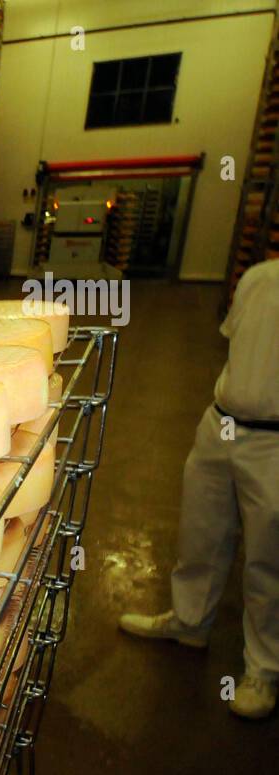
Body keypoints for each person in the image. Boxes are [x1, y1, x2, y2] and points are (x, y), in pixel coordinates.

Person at [119, 259, 279, 719]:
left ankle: (263, 669)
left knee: (268, 559)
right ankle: (190, 622)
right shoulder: (258, 278)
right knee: (200, 533)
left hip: (272, 439)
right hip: (222, 422)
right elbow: (236, 346)